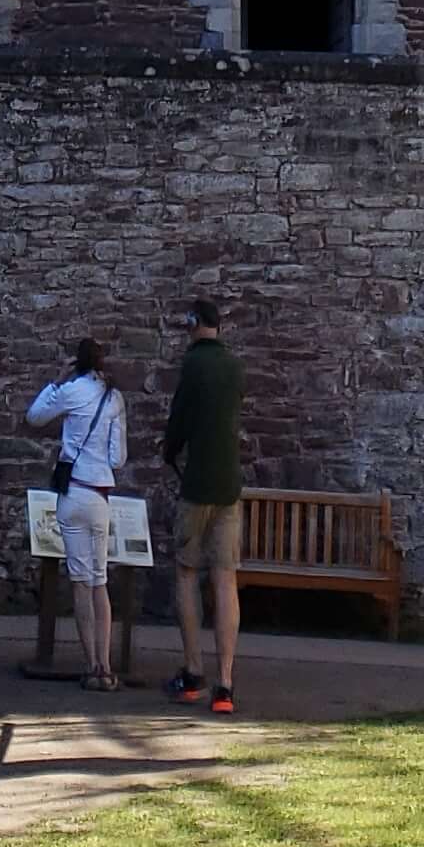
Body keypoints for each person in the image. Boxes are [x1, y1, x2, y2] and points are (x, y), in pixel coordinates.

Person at [27, 337, 130, 691]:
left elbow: (35, 416)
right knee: (100, 580)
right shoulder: (114, 398)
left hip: (73, 493)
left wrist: (56, 382)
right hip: (101, 494)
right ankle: (107, 664)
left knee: (80, 582)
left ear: (78, 362)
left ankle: (91, 666)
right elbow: (118, 459)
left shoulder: (72, 391)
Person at [161, 296, 244, 717]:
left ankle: (193, 672)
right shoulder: (234, 366)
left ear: (193, 324)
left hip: (197, 485)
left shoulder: (194, 365)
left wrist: (169, 450)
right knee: (225, 579)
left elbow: (181, 420)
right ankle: (225, 682)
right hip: (229, 484)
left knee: (187, 571)